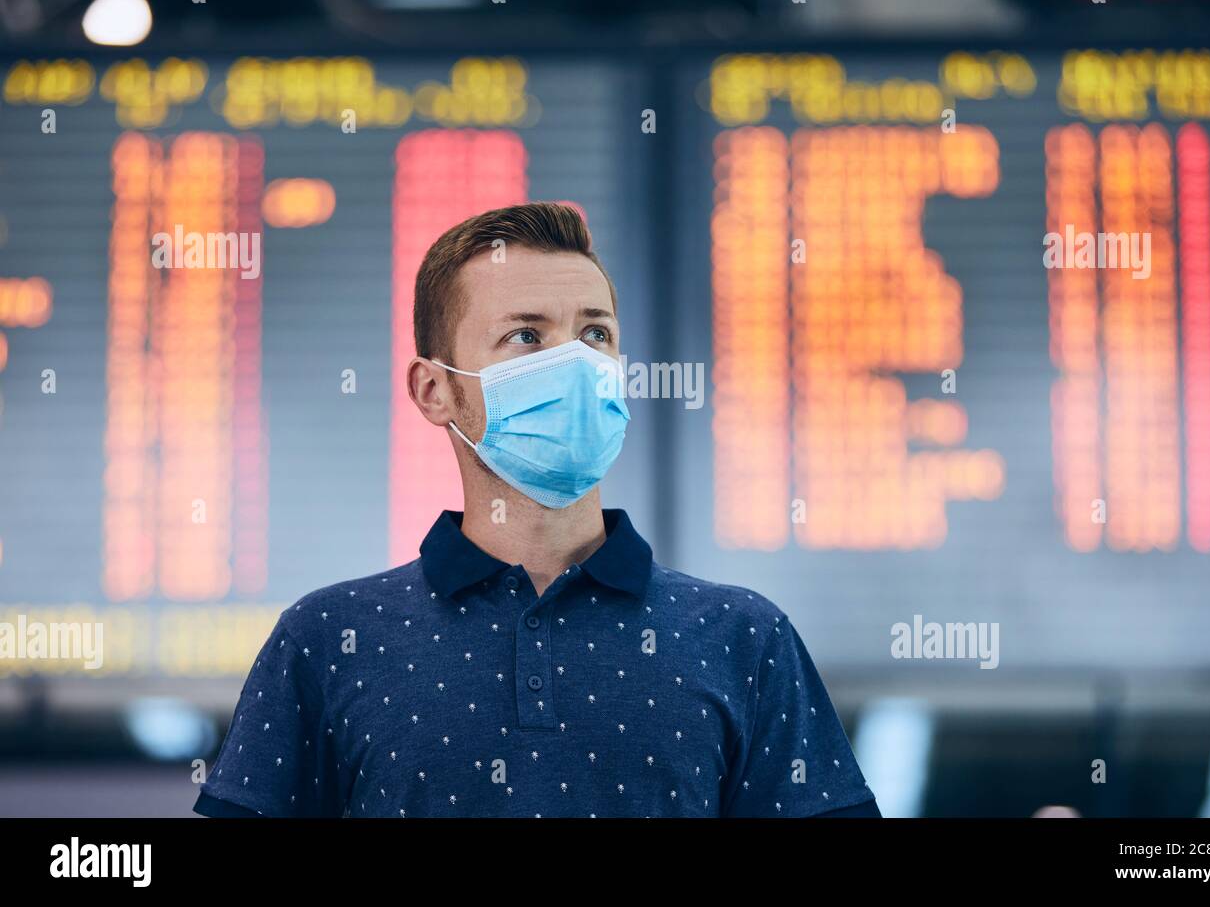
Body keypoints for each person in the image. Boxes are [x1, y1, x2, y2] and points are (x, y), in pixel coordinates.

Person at [193, 202, 880, 818]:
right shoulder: (327, 640)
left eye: (596, 335)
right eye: (526, 336)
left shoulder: (745, 640)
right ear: (434, 390)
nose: (576, 364)